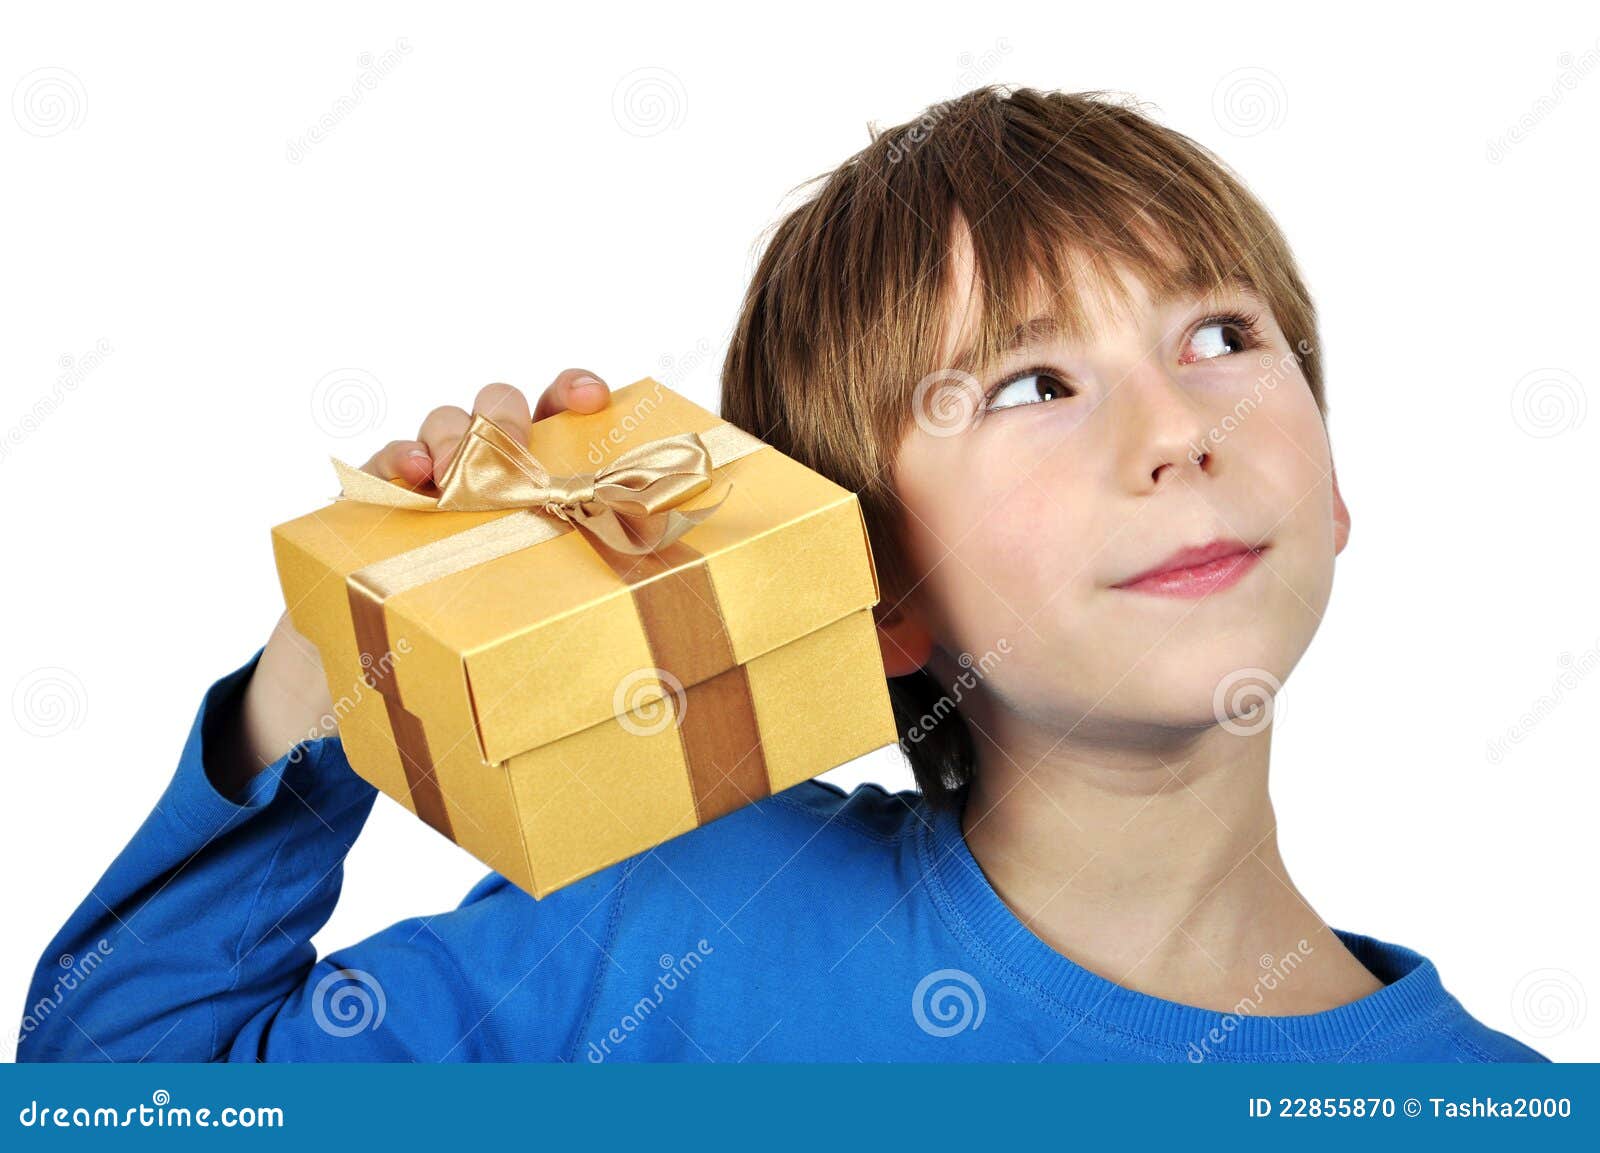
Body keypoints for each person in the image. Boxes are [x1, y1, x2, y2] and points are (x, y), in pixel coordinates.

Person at [17, 86, 1546, 1062]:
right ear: (872, 585)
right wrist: (331, 678)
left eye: (1220, 338)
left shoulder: (1496, 1108)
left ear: (1334, 479)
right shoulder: (684, 915)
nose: (1177, 434)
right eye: (1027, 385)